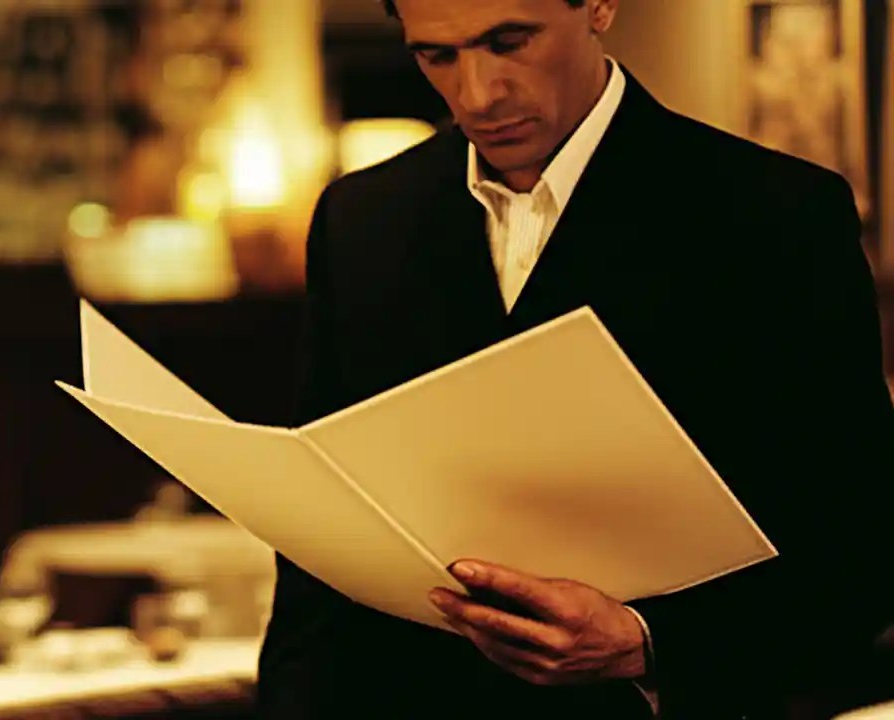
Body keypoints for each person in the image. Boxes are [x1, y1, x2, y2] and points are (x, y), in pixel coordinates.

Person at [256, 0, 894, 718]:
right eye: (437, 56)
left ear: (599, 5)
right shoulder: (362, 218)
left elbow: (861, 549)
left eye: (509, 41)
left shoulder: (776, 214)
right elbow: (314, 556)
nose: (478, 94)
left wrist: (650, 642)